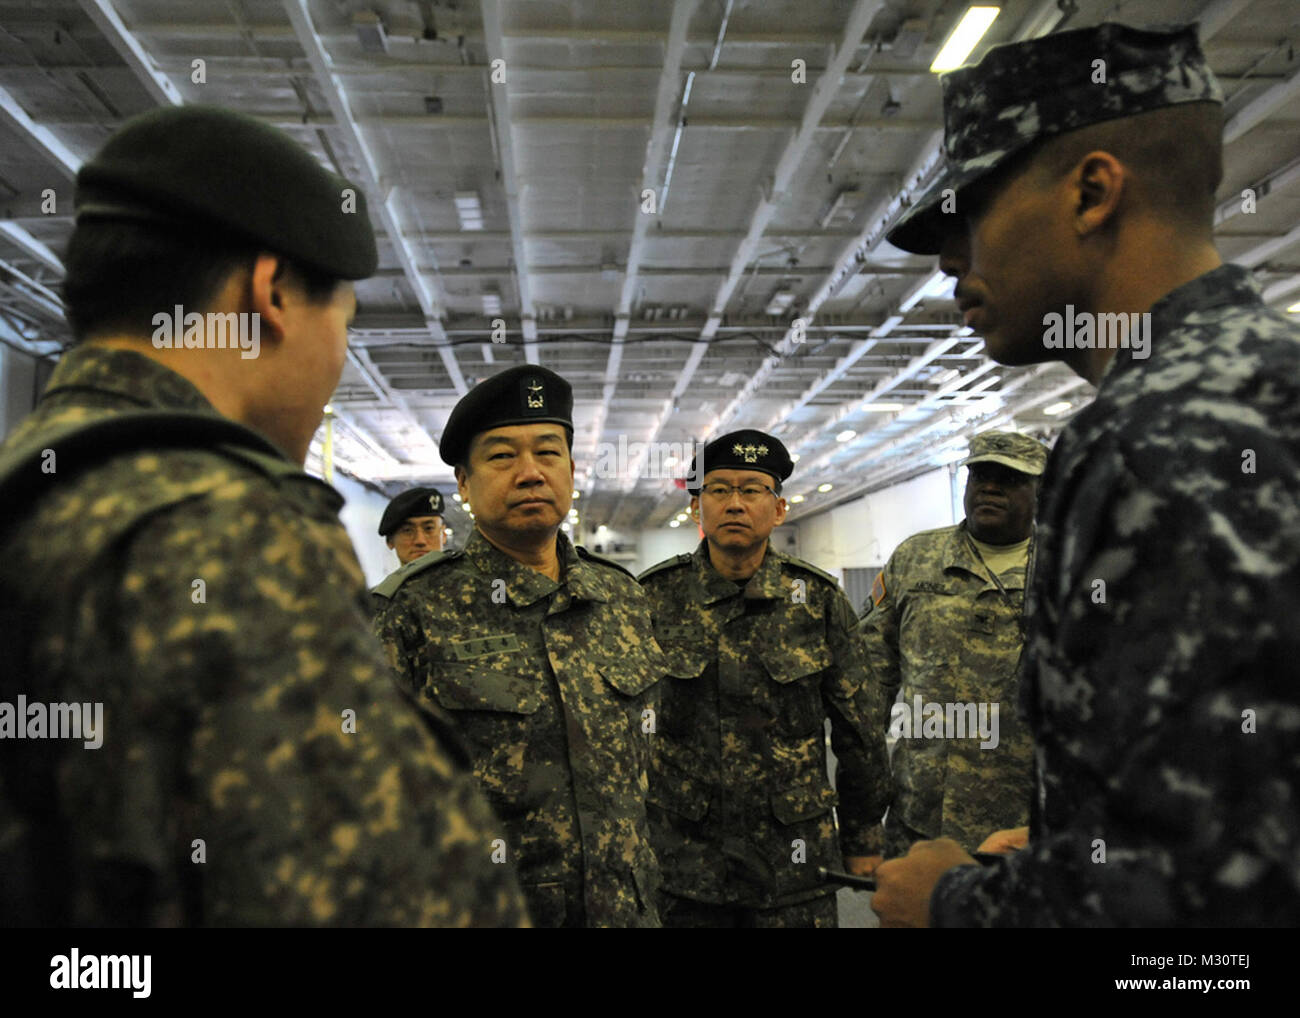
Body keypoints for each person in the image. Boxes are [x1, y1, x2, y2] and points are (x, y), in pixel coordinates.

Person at [0, 106, 528, 927]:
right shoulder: (228, 528)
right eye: (342, 321)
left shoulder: (32, 486)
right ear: (273, 293)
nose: (336, 362)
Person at [871, 22, 1300, 927]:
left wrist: (958, 902)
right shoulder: (1265, 380)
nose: (951, 260)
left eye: (972, 211)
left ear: (1093, 192)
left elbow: (1203, 918)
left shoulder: (1148, 437)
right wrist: (1074, 837)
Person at [372, 364, 666, 928]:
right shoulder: (411, 610)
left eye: (548, 454)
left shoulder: (621, 598)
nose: (531, 473)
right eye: (503, 456)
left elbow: (647, 769)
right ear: (463, 482)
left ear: (572, 471)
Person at [638, 430, 890, 927]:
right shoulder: (652, 600)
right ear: (697, 509)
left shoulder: (816, 600)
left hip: (794, 865)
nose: (735, 503)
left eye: (751, 490)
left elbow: (860, 731)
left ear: (778, 509)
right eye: (719, 490)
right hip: (685, 864)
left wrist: (862, 838)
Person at [860, 430, 1043, 859]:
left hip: (1022, 826)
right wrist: (863, 809)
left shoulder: (1072, 567)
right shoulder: (917, 558)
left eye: (1010, 479)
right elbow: (867, 682)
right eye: (980, 475)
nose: (991, 487)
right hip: (918, 817)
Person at [371, 487, 447, 615]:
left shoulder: (472, 592)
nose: (420, 541)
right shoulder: (375, 605)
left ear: (443, 534)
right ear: (390, 541)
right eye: (407, 530)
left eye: (429, 528)